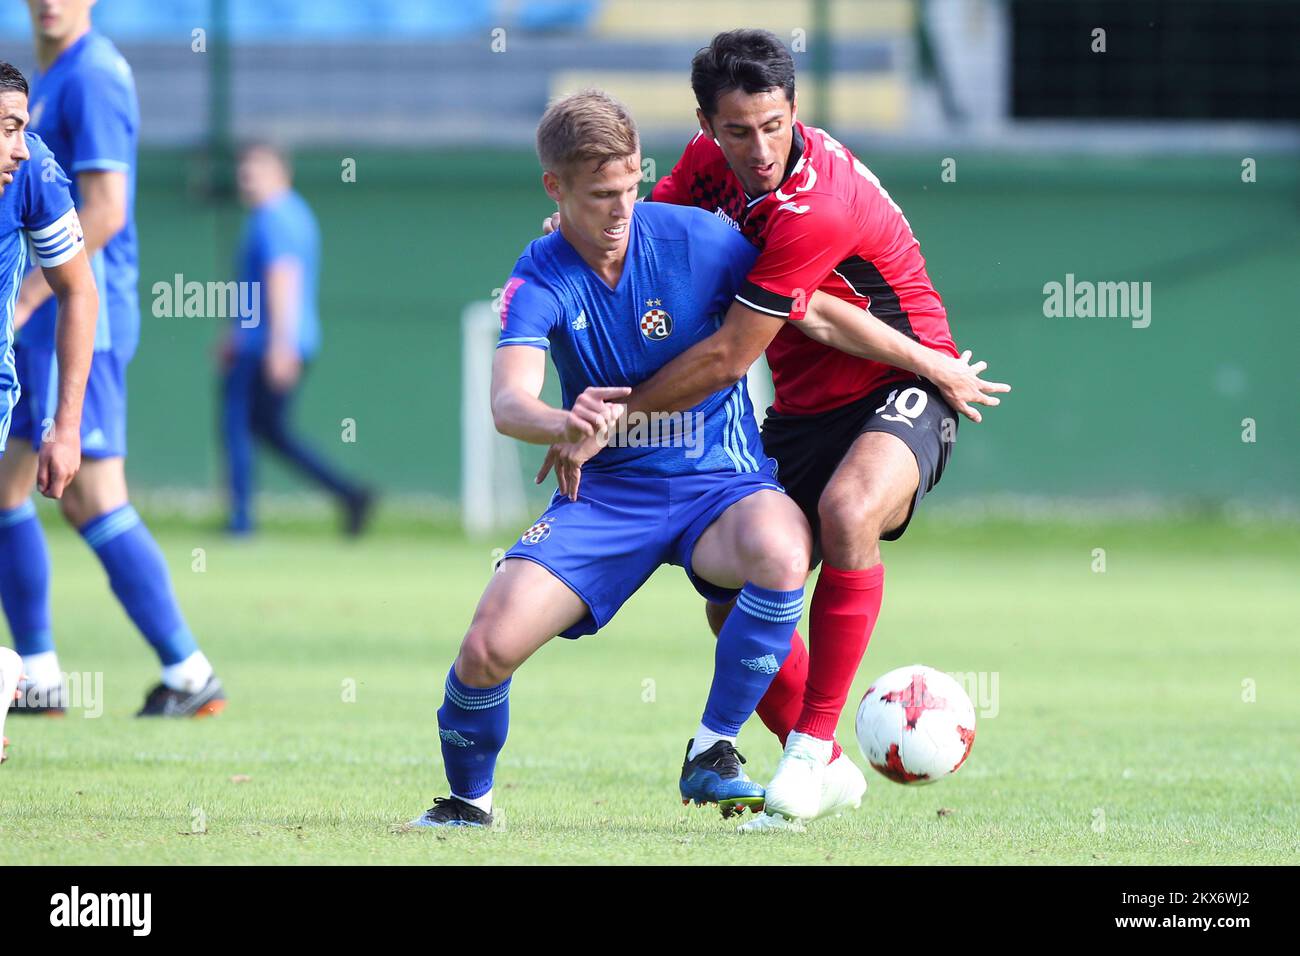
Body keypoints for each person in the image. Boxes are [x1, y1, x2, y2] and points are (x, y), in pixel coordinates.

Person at [544, 30, 1010, 826]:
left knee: (847, 512)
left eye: (774, 125)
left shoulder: (816, 202)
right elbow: (653, 259)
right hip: (803, 410)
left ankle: (803, 753)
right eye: (737, 130)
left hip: (903, 386)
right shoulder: (701, 167)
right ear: (705, 123)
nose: (759, 148)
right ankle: (826, 764)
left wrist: (612, 420)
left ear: (795, 108)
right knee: (734, 591)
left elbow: (730, 354)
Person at [407, 89, 819, 828]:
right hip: (606, 499)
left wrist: (918, 359)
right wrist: (563, 423)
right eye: (600, 195)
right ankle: (469, 804)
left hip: (718, 484)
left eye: (630, 188)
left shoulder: (699, 239)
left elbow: (801, 300)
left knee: (783, 549)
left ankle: (713, 750)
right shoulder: (539, 277)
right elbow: (509, 403)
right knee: (486, 647)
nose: (620, 210)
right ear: (554, 189)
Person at [2, 1, 225, 718]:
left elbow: (106, 210)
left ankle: (189, 670)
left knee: (92, 494)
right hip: (44, 322)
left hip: (77, 322)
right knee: (10, 491)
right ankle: (36, 674)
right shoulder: (50, 73)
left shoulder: (94, 75)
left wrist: (28, 298)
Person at [220, 142, 373, 536]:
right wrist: (234, 333)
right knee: (272, 432)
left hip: (269, 345)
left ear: (281, 173)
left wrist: (279, 345)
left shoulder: (276, 218)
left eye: (256, 170)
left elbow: (282, 279)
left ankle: (241, 523)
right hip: (262, 342)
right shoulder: (283, 215)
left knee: (237, 425)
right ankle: (350, 494)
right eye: (243, 170)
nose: (246, 178)